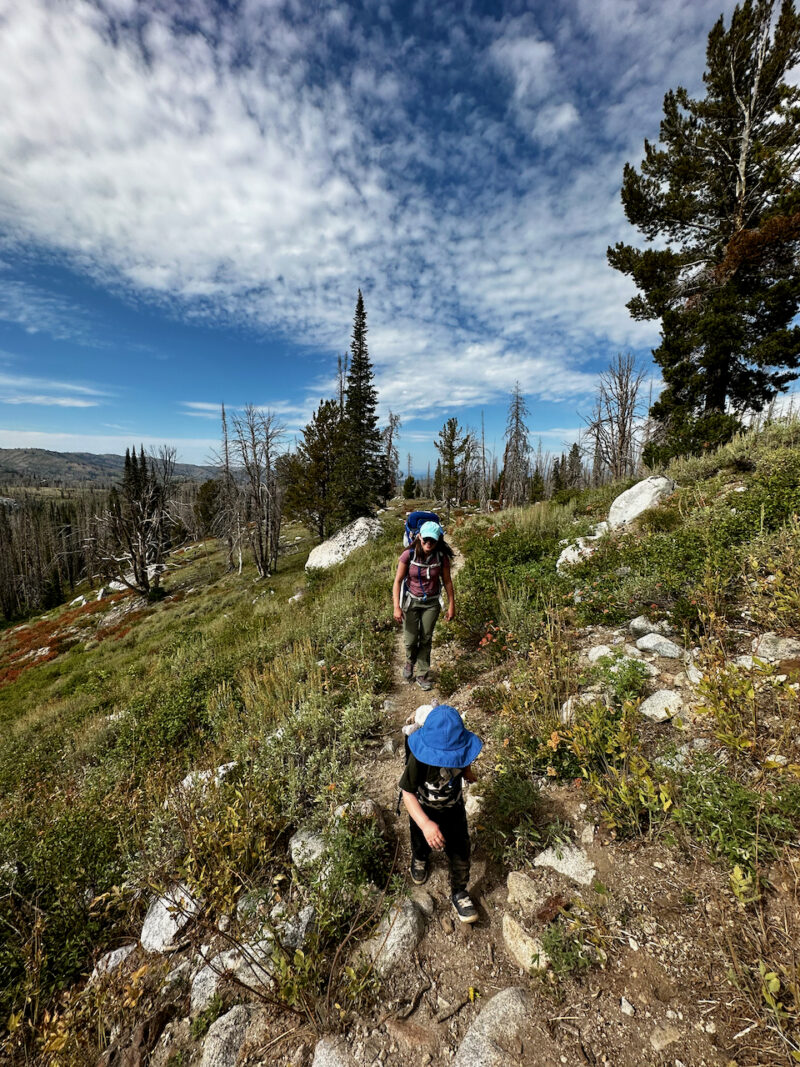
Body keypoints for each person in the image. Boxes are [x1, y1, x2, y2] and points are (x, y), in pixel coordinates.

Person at [399, 704, 483, 923]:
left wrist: (467, 772)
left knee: (461, 849)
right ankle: (420, 858)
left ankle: (459, 891)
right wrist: (425, 824)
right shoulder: (419, 759)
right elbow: (407, 793)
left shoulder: (461, 750)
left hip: (453, 809)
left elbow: (465, 760)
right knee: (420, 839)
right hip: (423, 808)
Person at [392, 519, 455, 691]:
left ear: (438, 540)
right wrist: (397, 607)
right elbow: (397, 581)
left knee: (426, 638)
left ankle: (422, 673)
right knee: (411, 639)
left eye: (433, 540)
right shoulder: (409, 555)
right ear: (419, 537)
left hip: (432, 603)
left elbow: (448, 582)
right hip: (411, 601)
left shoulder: (441, 557)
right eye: (426, 539)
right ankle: (410, 660)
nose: (429, 543)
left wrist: (451, 606)